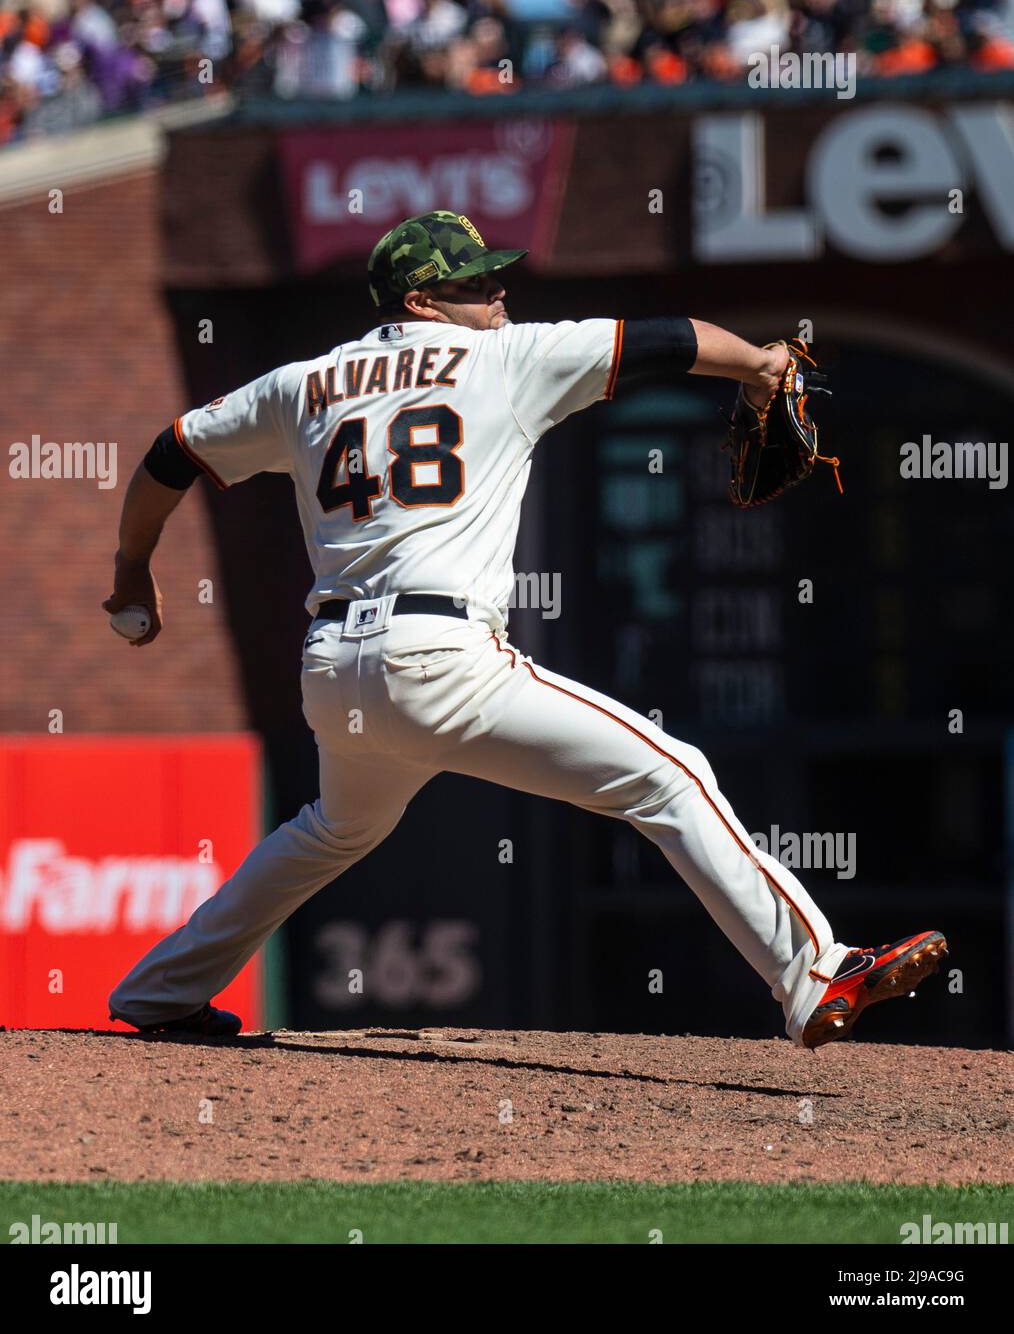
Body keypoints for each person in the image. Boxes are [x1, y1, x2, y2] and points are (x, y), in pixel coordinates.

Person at [103, 209, 947, 1046]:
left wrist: (132, 567)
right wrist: (762, 364)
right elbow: (670, 340)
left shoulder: (301, 385)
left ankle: (161, 991)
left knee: (334, 829)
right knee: (671, 776)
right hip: (439, 657)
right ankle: (815, 973)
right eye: (475, 282)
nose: (498, 292)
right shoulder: (508, 358)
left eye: (495, 275)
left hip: (335, 667)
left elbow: (171, 454)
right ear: (422, 301)